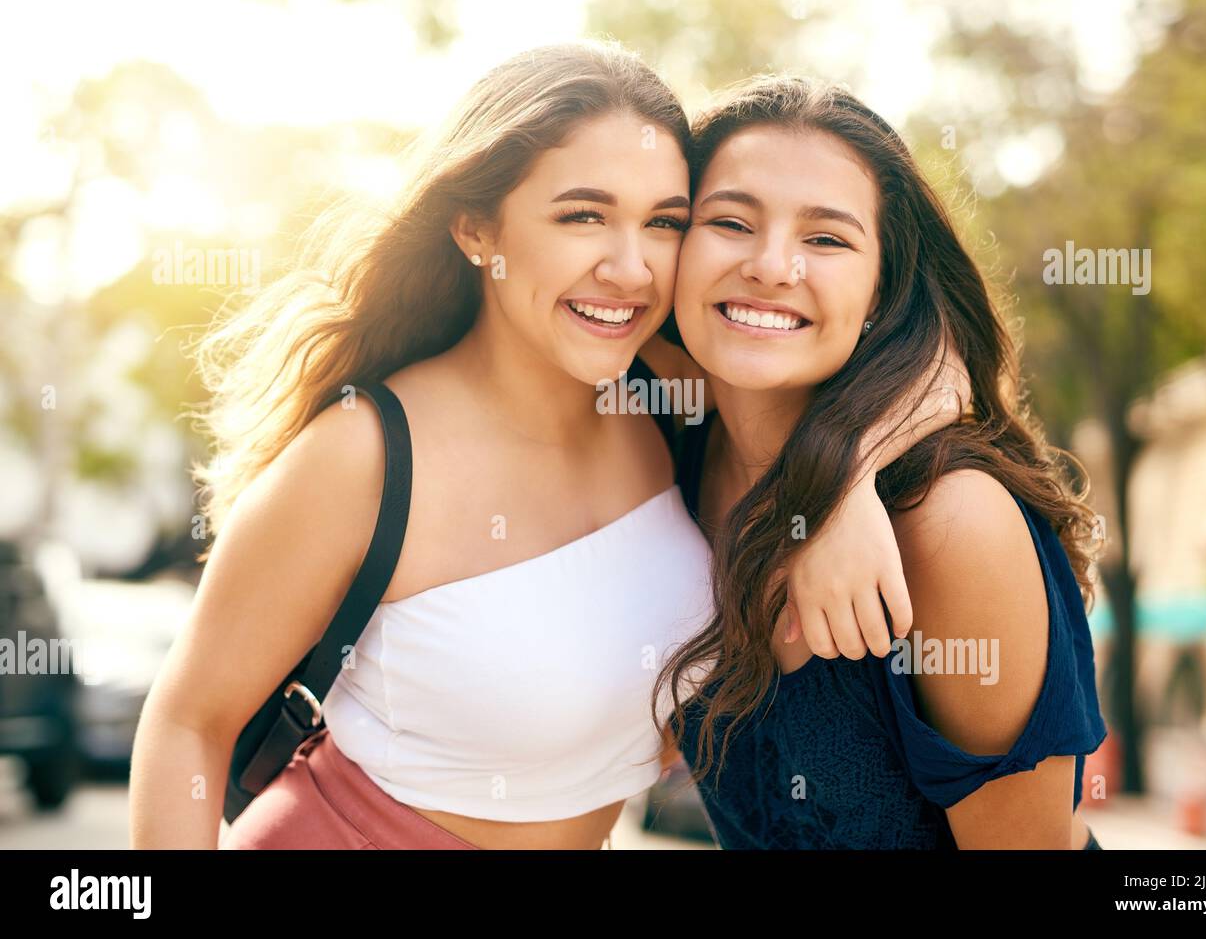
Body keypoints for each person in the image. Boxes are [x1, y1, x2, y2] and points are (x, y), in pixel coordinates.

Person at [128, 43, 963, 851]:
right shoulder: (366, 453)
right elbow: (188, 723)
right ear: (476, 229)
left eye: (664, 223)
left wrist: (844, 486)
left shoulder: (670, 392)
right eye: (583, 216)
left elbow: (938, 360)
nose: (630, 269)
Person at [655, 74, 1108, 849]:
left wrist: (846, 475)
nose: (772, 266)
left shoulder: (949, 523)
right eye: (730, 221)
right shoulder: (661, 439)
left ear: (879, 292)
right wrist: (843, 480)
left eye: (826, 238)